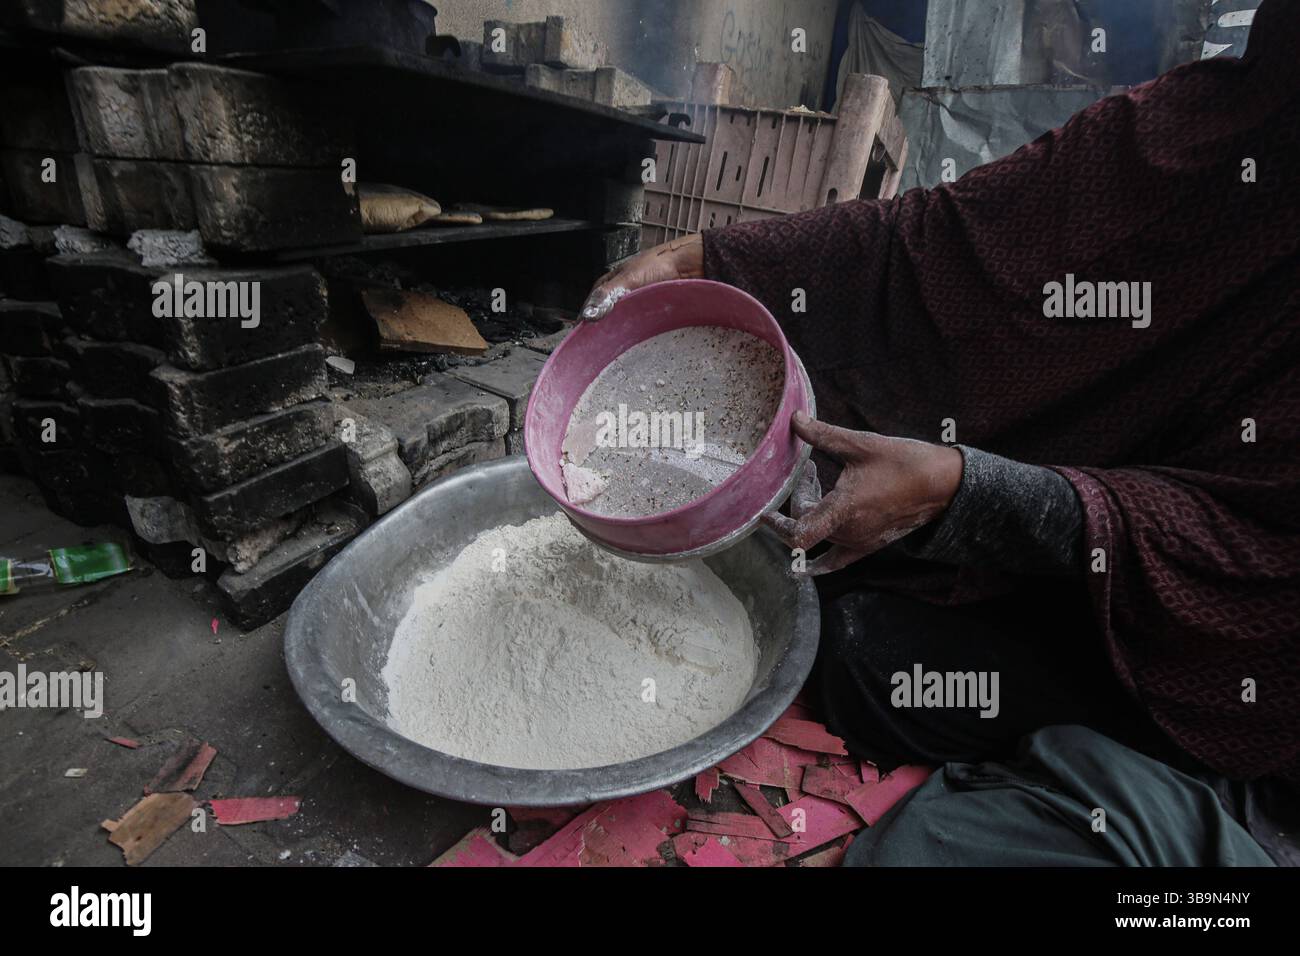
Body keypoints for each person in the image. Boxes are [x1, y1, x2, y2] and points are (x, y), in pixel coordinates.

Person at [579, 0, 1299, 866]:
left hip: (1214, 653)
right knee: (816, 593)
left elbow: (1255, 563)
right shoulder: (1190, 129)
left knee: (866, 663)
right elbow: (943, 239)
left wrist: (972, 492)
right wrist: (707, 260)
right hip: (1050, 505)